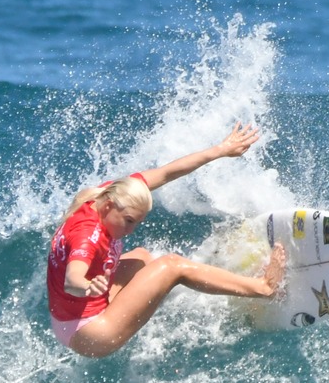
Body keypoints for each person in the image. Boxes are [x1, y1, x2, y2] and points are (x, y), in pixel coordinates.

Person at [45, 123, 285, 357]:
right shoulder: (88, 236)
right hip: (91, 333)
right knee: (172, 266)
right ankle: (263, 288)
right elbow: (73, 278)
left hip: (68, 320)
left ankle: (153, 297)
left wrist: (220, 150)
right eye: (128, 220)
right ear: (109, 206)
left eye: (137, 222)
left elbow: (167, 173)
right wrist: (86, 285)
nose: (130, 230)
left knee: (141, 259)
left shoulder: (106, 194)